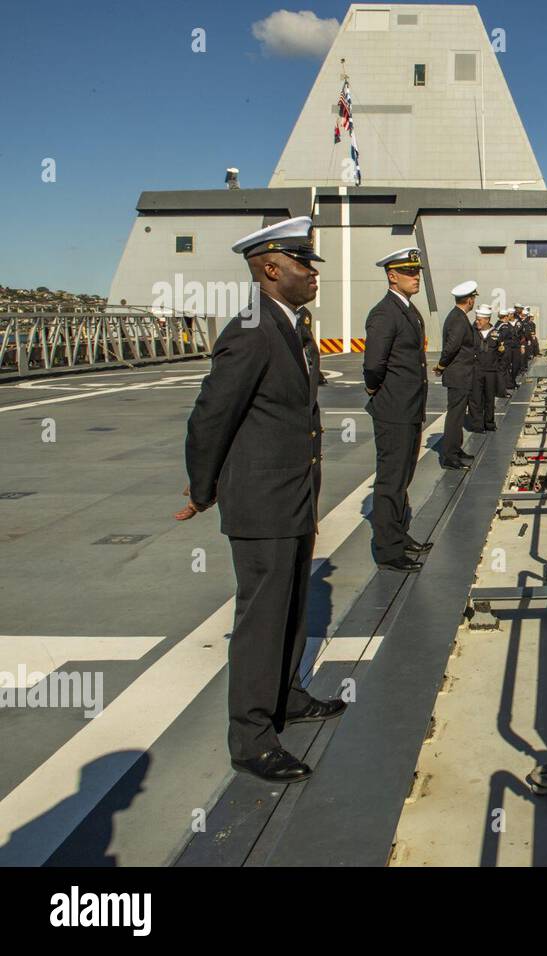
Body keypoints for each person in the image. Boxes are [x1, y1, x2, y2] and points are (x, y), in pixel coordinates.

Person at [176, 215, 345, 785]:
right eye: (304, 264)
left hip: (292, 494)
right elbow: (212, 414)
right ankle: (251, 737)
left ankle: (285, 696)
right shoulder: (252, 328)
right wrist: (202, 489)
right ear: (271, 269)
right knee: (263, 617)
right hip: (261, 499)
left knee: (293, 605)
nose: (313, 273)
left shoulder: (289, 324)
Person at [362, 247, 432, 573]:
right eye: (409, 272)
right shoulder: (384, 313)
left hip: (409, 407)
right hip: (394, 409)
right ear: (392, 276)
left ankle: (400, 534)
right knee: (391, 479)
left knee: (403, 476)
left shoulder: (409, 310)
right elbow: (373, 364)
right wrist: (376, 389)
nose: (416, 276)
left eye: (416, 271)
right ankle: (388, 549)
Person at [433, 280, 481, 469]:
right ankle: (449, 456)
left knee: (459, 415)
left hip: (461, 375)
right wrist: (441, 366)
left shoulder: (456, 317)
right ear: (469, 300)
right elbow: (452, 347)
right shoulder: (458, 319)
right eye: (473, 299)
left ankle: (455, 449)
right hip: (459, 375)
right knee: (455, 416)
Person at [467, 305, 502, 432]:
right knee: (475, 398)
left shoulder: (497, 333)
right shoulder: (472, 332)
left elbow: (500, 352)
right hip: (476, 369)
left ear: (487, 320)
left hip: (491, 371)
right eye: (476, 319)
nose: (477, 322)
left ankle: (489, 423)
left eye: (479, 320)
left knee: (489, 398)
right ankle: (477, 425)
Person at [491, 307, 514, 397]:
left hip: (501, 349)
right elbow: (501, 338)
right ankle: (501, 391)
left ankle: (502, 389)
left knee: (502, 370)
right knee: (502, 371)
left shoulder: (497, 324)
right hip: (504, 350)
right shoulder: (504, 326)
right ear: (505, 316)